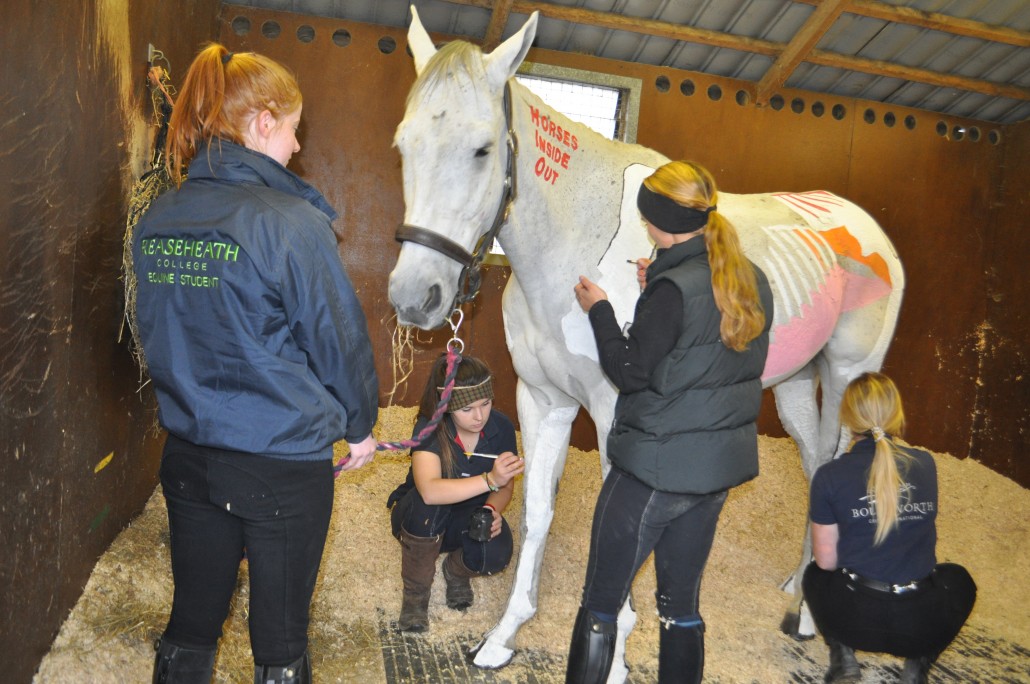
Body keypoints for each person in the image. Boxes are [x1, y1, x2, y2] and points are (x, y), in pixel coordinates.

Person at [132, 43, 379, 684]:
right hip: (278, 464)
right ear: (264, 122)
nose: (297, 148)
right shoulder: (290, 224)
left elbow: (165, 330)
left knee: (191, 622)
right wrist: (360, 425)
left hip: (187, 453)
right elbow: (339, 341)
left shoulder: (159, 216)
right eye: (294, 130)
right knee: (280, 640)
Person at [566, 160, 774, 683]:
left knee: (600, 603)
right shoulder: (751, 279)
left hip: (654, 471)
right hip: (712, 476)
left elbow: (630, 371)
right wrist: (658, 282)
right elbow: (698, 350)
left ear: (654, 217)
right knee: (680, 606)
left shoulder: (674, 290)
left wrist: (601, 311)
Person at [803, 372, 976, 684]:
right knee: (959, 579)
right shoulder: (924, 463)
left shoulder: (830, 475)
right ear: (897, 413)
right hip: (918, 624)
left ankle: (844, 659)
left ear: (848, 418)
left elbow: (827, 561)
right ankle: (918, 665)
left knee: (814, 574)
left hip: (856, 620)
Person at [386, 354, 525, 632]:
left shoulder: (502, 427)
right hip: (419, 521)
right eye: (467, 409)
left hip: (464, 520)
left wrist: (491, 510)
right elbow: (429, 491)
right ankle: (415, 599)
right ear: (446, 408)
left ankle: (456, 571)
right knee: (432, 504)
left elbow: (505, 485)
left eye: (486, 404)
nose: (479, 416)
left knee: (497, 550)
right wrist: (489, 480)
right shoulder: (430, 427)